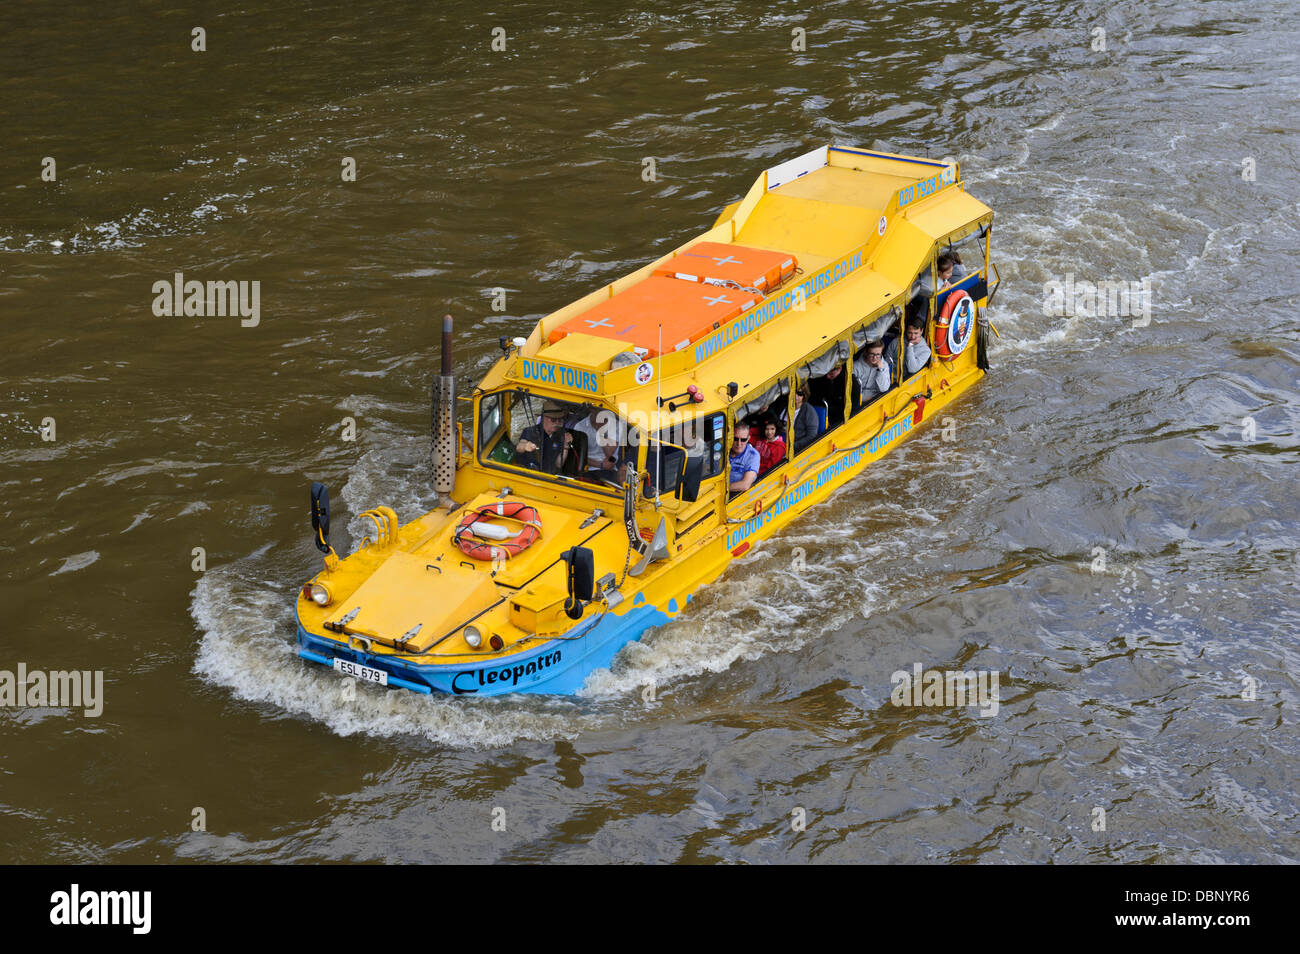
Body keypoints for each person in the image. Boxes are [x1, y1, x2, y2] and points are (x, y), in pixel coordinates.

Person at [514, 402, 579, 476]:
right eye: (553, 420)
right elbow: (519, 447)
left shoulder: (560, 435)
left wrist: (565, 446)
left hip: (548, 476)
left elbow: (558, 465)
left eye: (560, 419)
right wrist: (525, 446)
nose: (557, 423)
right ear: (543, 418)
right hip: (528, 474)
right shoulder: (530, 431)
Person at [574, 407, 621, 477]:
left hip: (609, 471)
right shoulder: (580, 426)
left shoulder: (616, 425)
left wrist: (601, 430)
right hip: (587, 469)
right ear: (591, 409)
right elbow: (577, 455)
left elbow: (609, 453)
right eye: (599, 409)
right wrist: (600, 465)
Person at [809, 363, 858, 429]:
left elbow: (850, 410)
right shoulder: (821, 378)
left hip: (838, 420)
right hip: (820, 413)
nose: (827, 376)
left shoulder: (850, 383)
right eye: (826, 373)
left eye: (831, 374)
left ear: (840, 368)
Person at [728, 422, 760, 494]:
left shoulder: (753, 455)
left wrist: (723, 489)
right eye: (735, 439)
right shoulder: (724, 450)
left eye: (743, 440)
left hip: (735, 496)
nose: (739, 444)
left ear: (748, 439)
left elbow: (745, 485)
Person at [789, 383, 817, 454]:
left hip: (794, 449)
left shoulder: (809, 411)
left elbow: (811, 436)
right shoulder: (783, 406)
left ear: (804, 395)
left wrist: (792, 446)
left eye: (799, 393)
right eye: (793, 392)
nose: (795, 396)